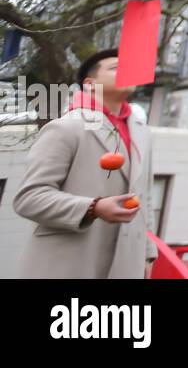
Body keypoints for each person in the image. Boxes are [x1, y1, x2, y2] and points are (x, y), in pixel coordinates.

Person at [14, 49, 157, 278]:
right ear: (90, 84)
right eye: (115, 68)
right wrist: (93, 207)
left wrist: (148, 254)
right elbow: (29, 198)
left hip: (125, 266)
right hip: (66, 264)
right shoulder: (65, 127)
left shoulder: (143, 134)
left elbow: (145, 198)